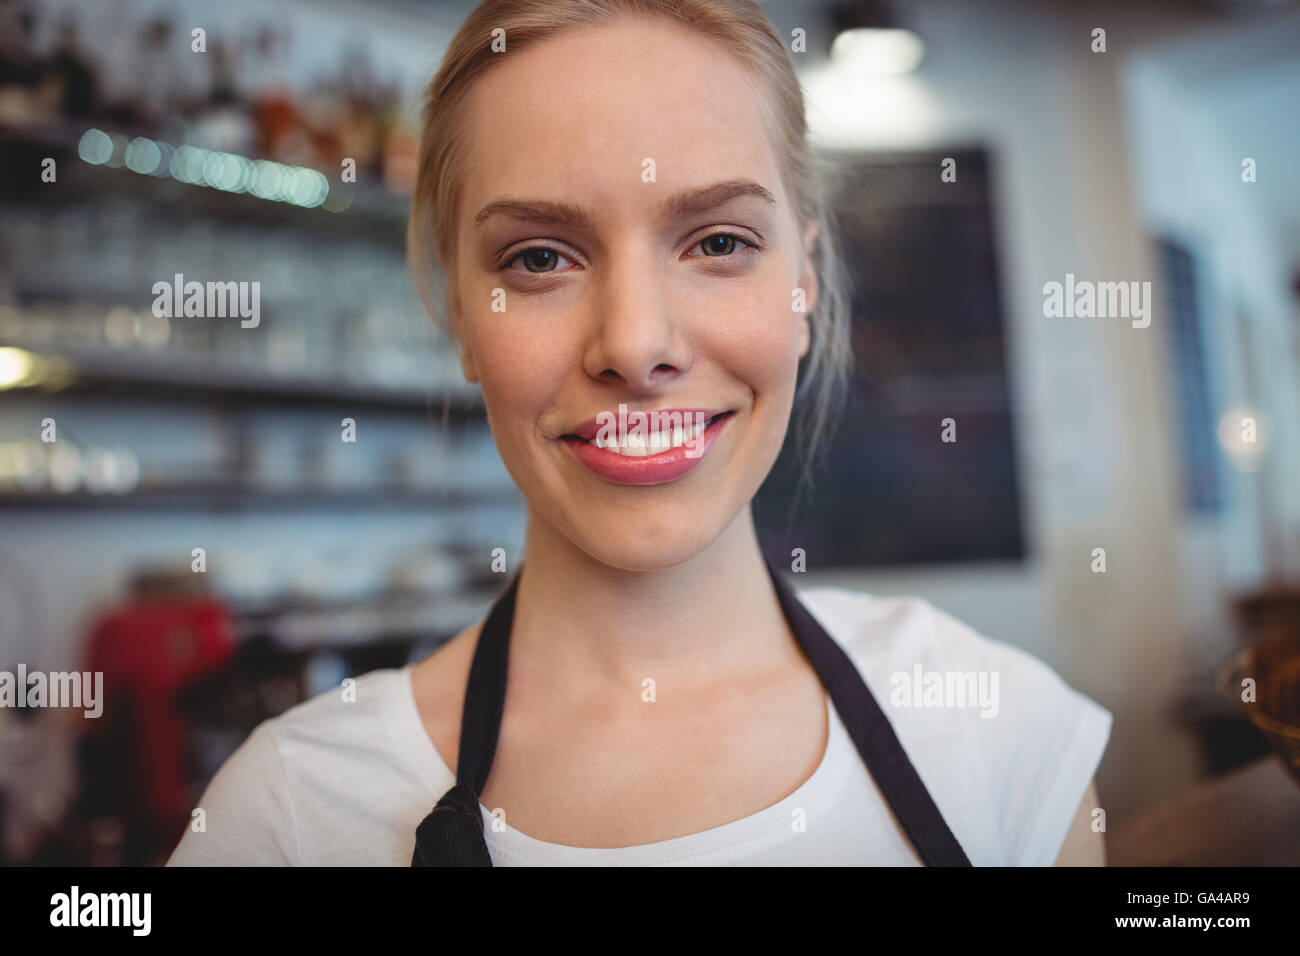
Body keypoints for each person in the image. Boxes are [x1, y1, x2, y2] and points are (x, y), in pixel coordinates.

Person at [168, 0, 1110, 867]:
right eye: (540, 258)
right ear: (462, 311)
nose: (634, 343)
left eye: (718, 242)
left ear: (805, 284)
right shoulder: (290, 813)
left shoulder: (1007, 738)